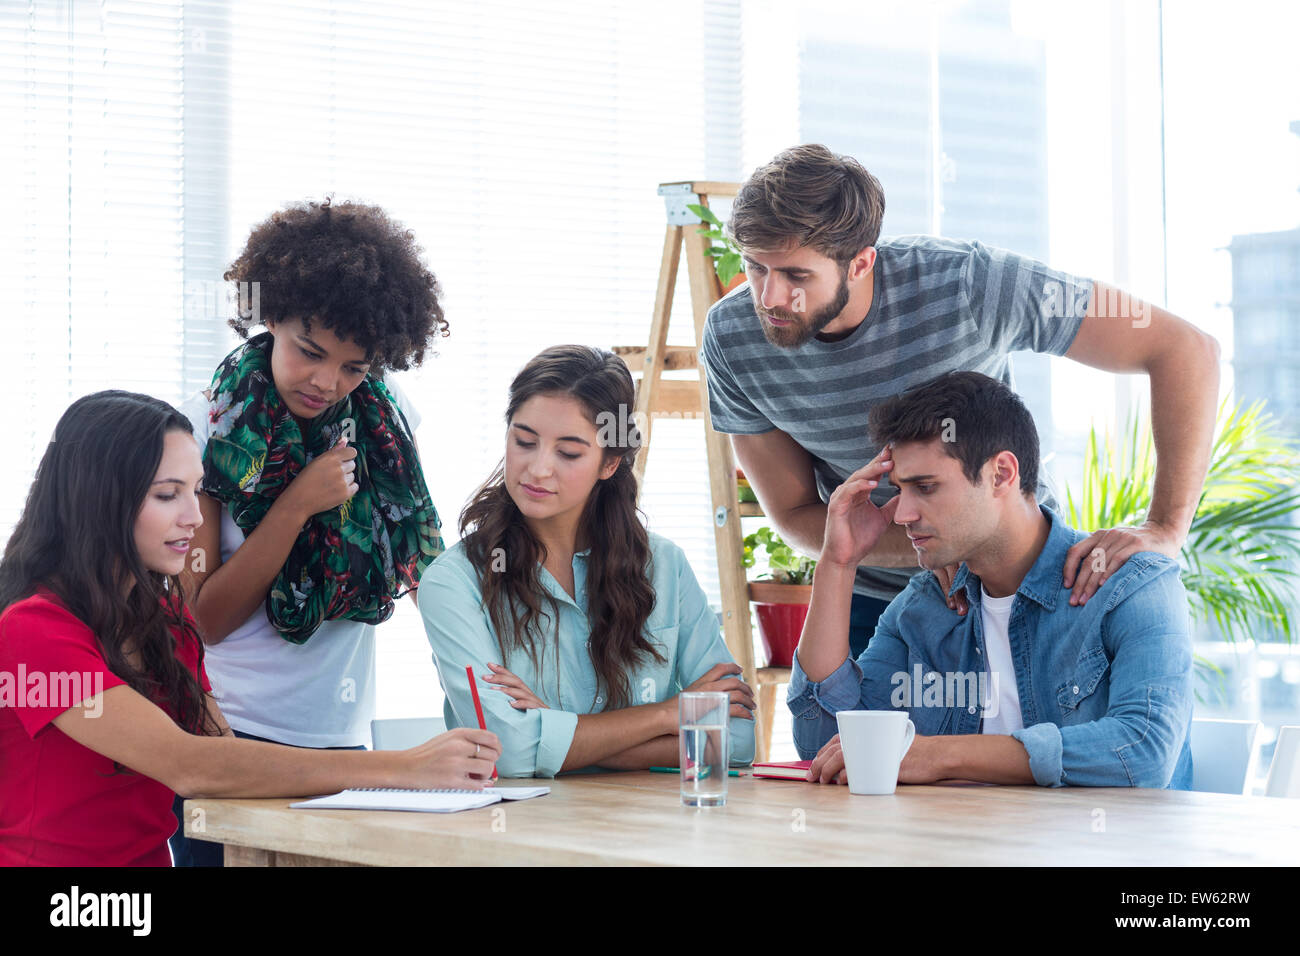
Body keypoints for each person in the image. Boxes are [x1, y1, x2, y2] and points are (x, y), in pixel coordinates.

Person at [699, 143, 1220, 659]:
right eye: (755, 268)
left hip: (1016, 580)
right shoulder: (732, 338)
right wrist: (931, 547)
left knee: (1038, 742)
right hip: (872, 600)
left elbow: (1184, 350)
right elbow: (794, 512)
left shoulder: (972, 284)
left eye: (796, 276)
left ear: (860, 264)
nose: (768, 298)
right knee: (839, 743)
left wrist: (1165, 530)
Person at [0, 392, 499, 866]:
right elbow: (189, 765)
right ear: (98, 499)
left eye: (196, 490)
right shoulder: (31, 633)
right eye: (168, 495)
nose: (195, 517)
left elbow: (222, 754)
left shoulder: (165, 623)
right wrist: (403, 768)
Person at [173, 197, 446, 863]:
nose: (328, 382)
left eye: (355, 367)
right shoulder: (202, 430)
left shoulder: (384, 421)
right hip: (229, 740)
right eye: (310, 352)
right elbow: (201, 618)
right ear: (270, 317)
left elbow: (420, 568)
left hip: (342, 747)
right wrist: (296, 505)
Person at [788, 372, 1193, 789]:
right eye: (900, 490)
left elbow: (1144, 753)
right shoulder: (923, 607)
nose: (902, 514)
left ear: (1001, 474)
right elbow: (825, 746)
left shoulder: (1131, 585)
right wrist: (838, 563)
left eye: (925, 487)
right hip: (965, 848)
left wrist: (940, 756)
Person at [419, 346, 756, 777]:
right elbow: (509, 753)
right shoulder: (454, 583)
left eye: (569, 452)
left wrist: (558, 733)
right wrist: (665, 715)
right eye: (524, 441)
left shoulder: (665, 566)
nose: (537, 469)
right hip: (518, 832)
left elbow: (738, 740)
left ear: (610, 462)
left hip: (655, 836)